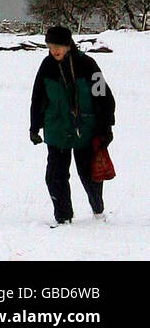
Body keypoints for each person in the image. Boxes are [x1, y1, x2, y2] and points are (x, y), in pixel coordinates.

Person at [30, 25, 115, 225]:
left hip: (85, 130)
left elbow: (104, 96)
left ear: (68, 45)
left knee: (89, 175)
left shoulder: (88, 64)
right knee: (54, 176)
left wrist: (106, 127)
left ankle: (98, 210)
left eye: (58, 46)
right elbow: (38, 98)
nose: (54, 50)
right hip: (57, 130)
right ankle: (63, 217)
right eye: (51, 46)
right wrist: (34, 126)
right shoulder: (47, 67)